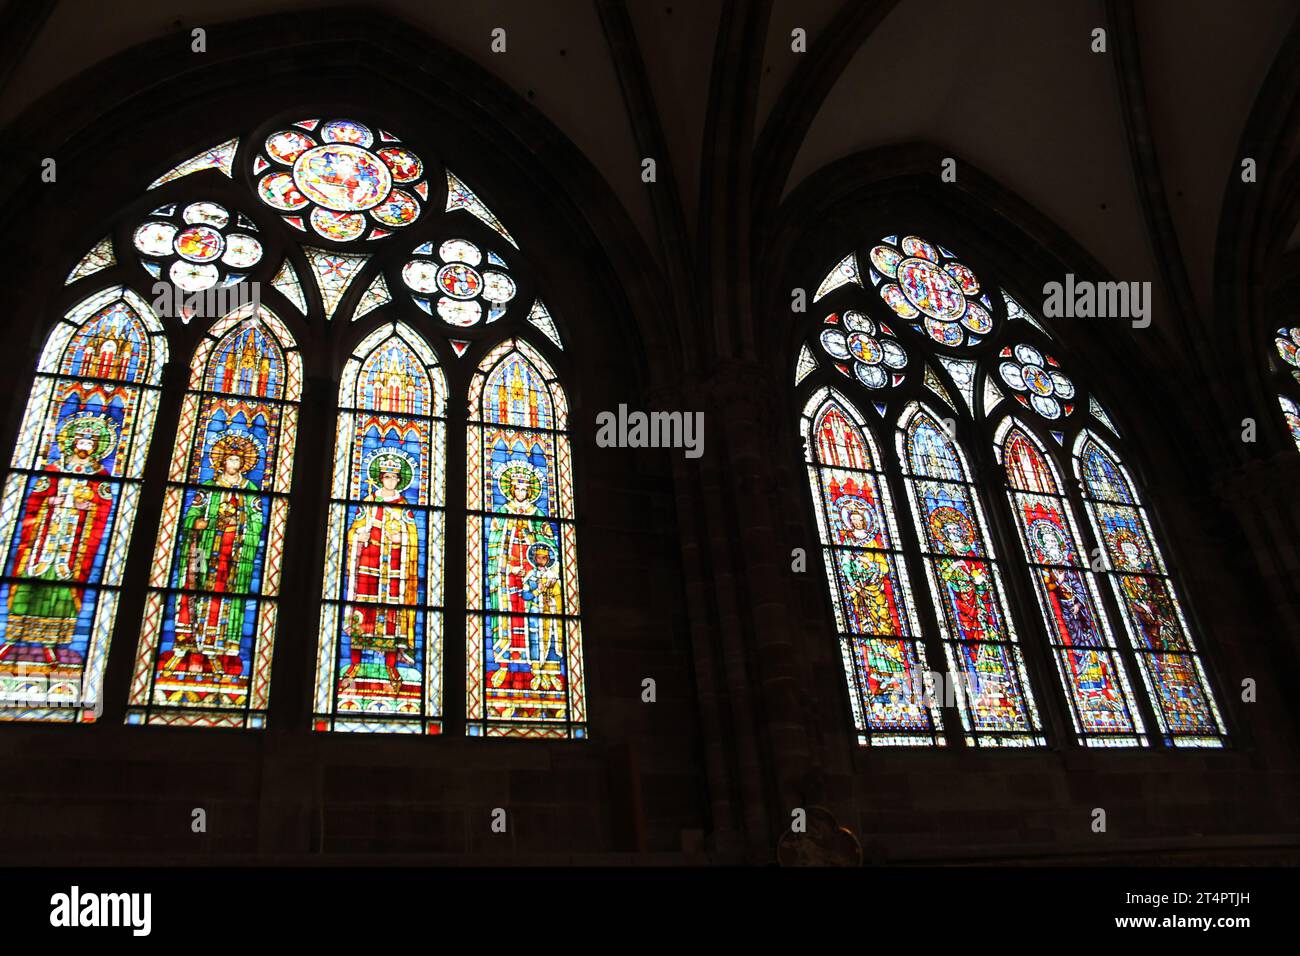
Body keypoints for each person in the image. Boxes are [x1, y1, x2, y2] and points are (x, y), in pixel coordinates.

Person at [1, 414, 116, 662]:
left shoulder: (100, 474)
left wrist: (86, 506)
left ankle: (51, 643)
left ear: (96, 448)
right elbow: (35, 498)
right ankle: (11, 638)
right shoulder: (55, 468)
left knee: (63, 590)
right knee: (28, 584)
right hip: (43, 538)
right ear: (72, 443)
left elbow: (105, 505)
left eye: (90, 444)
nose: (85, 448)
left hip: (73, 543)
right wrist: (53, 501)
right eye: (81, 443)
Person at [340, 450, 419, 693]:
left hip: (395, 571)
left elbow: (414, 536)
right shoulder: (368, 503)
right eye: (386, 477)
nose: (390, 481)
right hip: (368, 569)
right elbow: (353, 530)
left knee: (392, 617)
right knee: (363, 614)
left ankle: (391, 665)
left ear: (399, 481)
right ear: (380, 479)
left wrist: (403, 536)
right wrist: (357, 536)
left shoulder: (404, 507)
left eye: (394, 478)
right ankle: (354, 663)